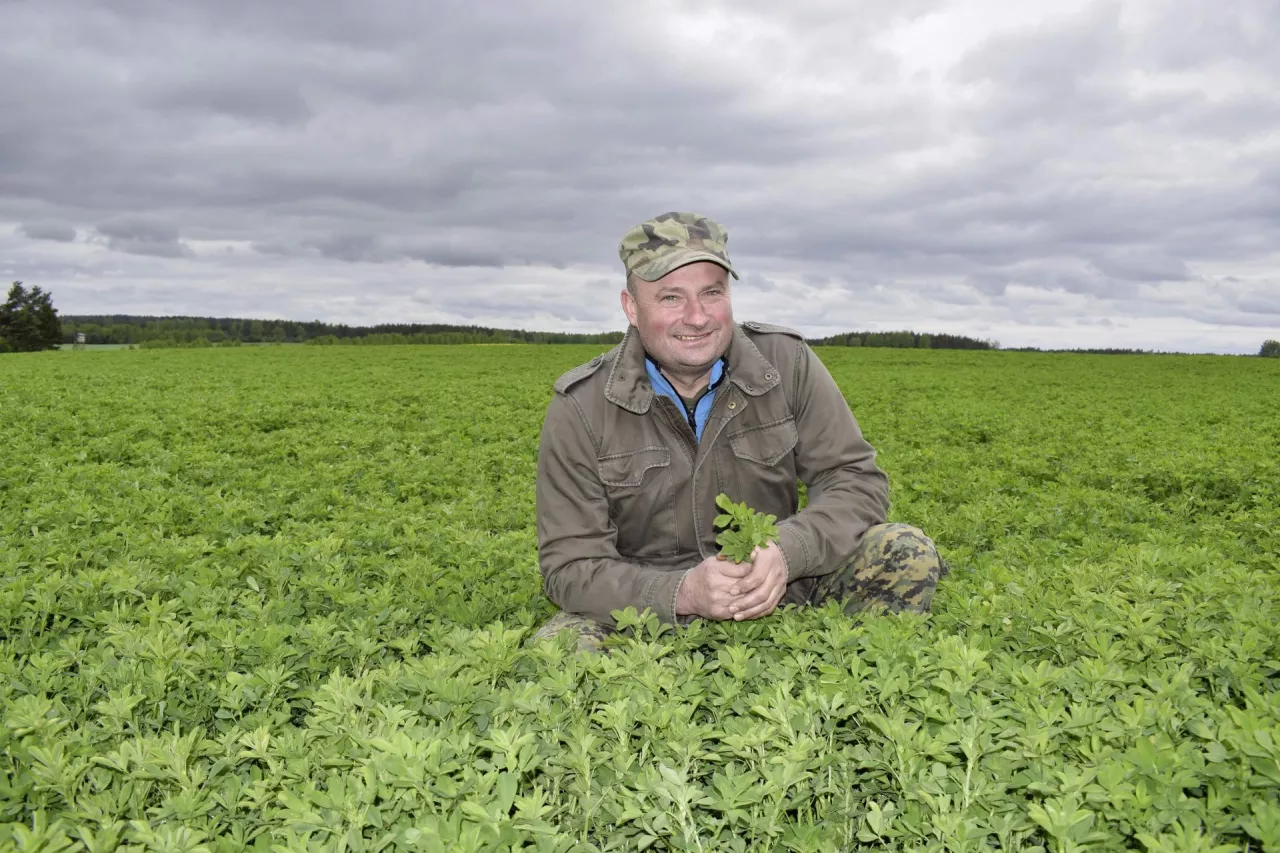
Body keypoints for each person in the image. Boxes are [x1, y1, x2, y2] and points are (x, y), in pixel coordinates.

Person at [533, 211, 946, 652]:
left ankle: (835, 683)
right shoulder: (582, 404)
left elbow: (855, 481)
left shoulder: (787, 364)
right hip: (649, 616)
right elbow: (571, 566)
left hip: (783, 595)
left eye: (712, 292)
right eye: (671, 298)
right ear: (632, 308)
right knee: (559, 653)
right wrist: (682, 592)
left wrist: (788, 551)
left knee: (903, 551)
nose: (697, 317)